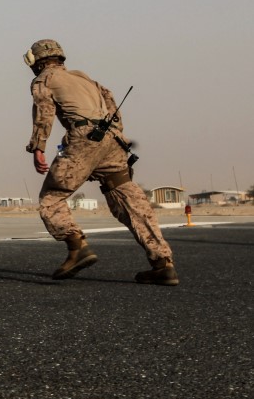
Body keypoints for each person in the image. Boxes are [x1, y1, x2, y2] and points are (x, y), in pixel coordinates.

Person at [24, 39, 178, 285]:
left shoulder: (45, 79)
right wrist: (113, 140)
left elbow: (44, 113)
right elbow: (112, 106)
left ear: (36, 61)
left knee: (52, 197)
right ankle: (163, 263)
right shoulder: (85, 78)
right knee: (129, 201)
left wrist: (38, 147)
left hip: (84, 139)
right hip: (112, 140)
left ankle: (77, 247)